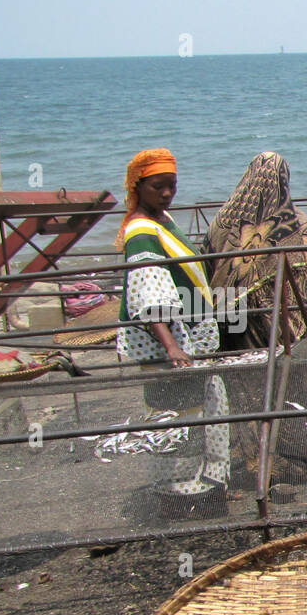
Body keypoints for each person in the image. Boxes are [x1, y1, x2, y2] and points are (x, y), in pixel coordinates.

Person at [205, 153, 307, 485]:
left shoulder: (222, 225)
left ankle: (255, 463)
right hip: (287, 330)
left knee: (248, 389)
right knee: (292, 388)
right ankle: (297, 458)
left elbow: (211, 275)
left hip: (239, 328)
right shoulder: (299, 223)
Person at [115, 149, 229, 512]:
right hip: (170, 345)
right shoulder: (142, 232)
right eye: (157, 187)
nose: (166, 194)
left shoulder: (160, 219)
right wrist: (171, 347)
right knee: (178, 421)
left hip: (190, 337)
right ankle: (174, 499)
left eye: (172, 186)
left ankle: (208, 487)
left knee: (206, 413)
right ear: (138, 187)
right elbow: (149, 294)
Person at [205, 151, 307, 350]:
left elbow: (209, 266)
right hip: (282, 323)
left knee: (242, 366)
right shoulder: (297, 222)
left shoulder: (222, 221)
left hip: (232, 318)